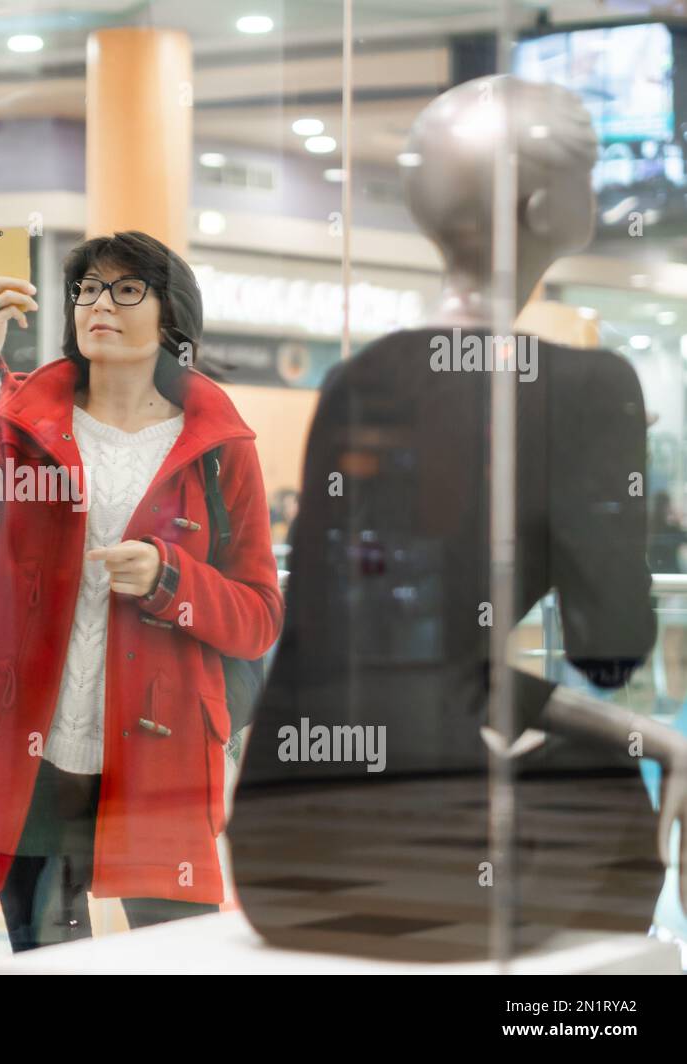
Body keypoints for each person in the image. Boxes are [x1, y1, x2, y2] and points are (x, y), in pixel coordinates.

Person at [230, 76, 684, 962]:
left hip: (285, 860)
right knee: (609, 794)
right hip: (436, 872)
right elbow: (611, 646)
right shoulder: (589, 388)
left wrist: (650, 730)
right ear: (549, 204)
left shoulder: (356, 381)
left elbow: (420, 666)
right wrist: (604, 488)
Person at [0, 230, 283, 952]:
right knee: (47, 951)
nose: (101, 304)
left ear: (171, 318)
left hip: (160, 751)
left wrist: (170, 579)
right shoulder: (21, 415)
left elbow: (259, 617)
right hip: (27, 744)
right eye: (88, 290)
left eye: (127, 289)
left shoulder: (218, 444)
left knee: (176, 953)